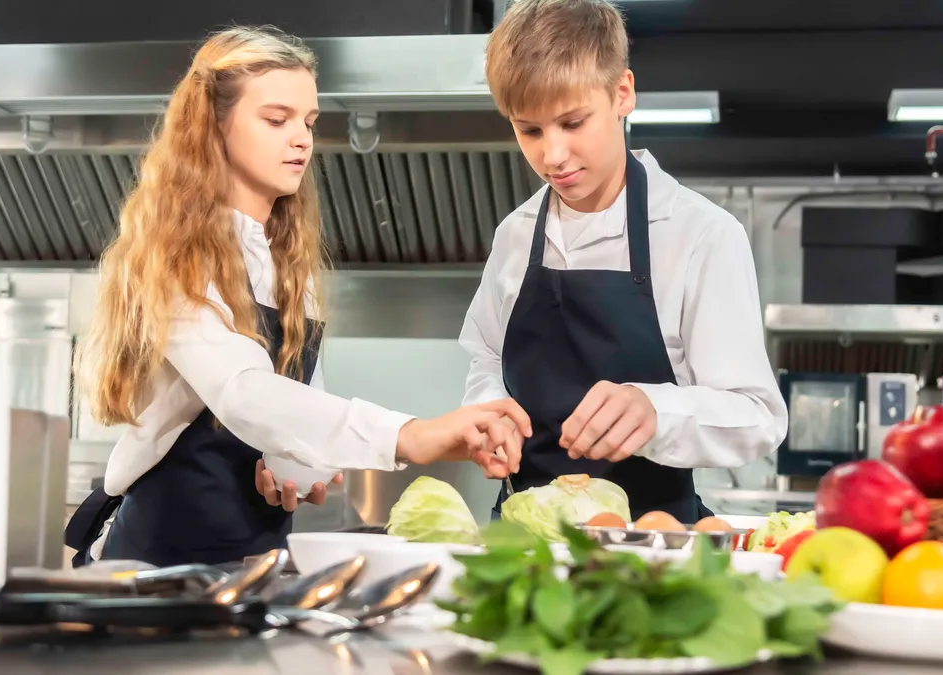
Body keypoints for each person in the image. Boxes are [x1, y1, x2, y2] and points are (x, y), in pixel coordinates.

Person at [65, 26, 530, 569]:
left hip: (258, 555)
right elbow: (243, 392)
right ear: (214, 126)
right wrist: (411, 434)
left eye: (309, 122)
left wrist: (293, 470)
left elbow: (301, 403)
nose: (302, 139)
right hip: (163, 556)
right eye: (276, 119)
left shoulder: (287, 263)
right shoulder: (178, 254)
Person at [458, 0, 788, 524]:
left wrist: (657, 411)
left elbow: (757, 417)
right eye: (530, 131)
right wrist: (491, 414)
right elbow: (487, 362)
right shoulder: (516, 236)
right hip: (524, 541)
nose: (554, 155)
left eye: (572, 122)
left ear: (622, 94)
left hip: (653, 541)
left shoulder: (699, 234)